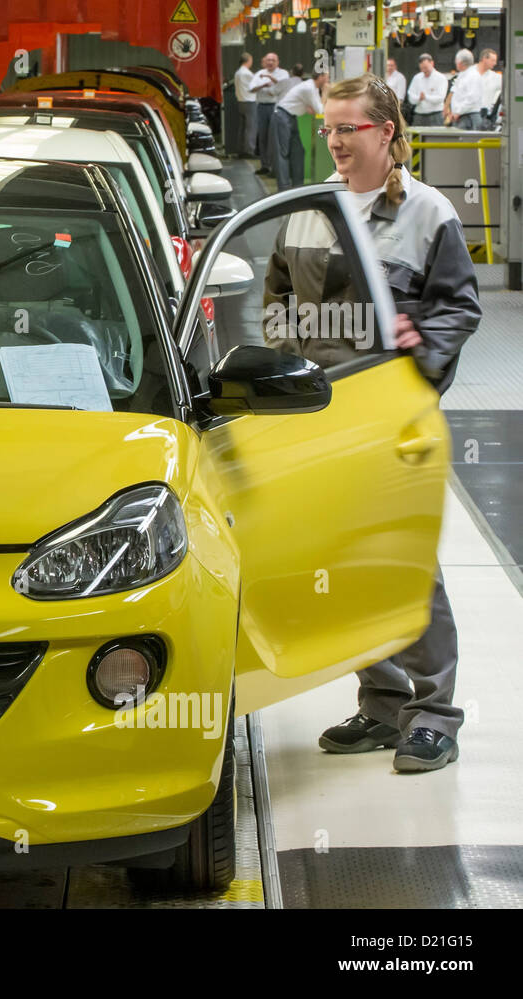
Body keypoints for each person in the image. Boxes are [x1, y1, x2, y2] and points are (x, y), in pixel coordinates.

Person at [264, 74, 479, 773]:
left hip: (390, 416)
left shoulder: (428, 212)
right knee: (348, 562)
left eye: (346, 128)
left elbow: (456, 307)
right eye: (327, 128)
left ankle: (434, 712)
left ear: (385, 132)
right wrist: (290, 364)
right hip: (323, 415)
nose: (332, 139)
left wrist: (423, 362)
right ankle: (383, 703)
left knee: (406, 560)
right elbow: (276, 298)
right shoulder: (309, 209)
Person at [272, 69, 327, 189]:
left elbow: (314, 108)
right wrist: (327, 91)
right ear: (321, 76)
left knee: (299, 151)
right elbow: (320, 110)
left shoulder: (313, 88)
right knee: (283, 153)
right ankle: (284, 188)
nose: (328, 79)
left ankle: (298, 186)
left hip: (291, 118)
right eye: (327, 76)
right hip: (282, 116)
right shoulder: (309, 88)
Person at [250, 53, 291, 176]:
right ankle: (265, 166)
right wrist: (263, 84)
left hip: (276, 107)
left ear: (278, 62)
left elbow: (282, 86)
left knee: (275, 139)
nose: (270, 62)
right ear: (264, 61)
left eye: (273, 60)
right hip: (261, 107)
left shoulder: (283, 73)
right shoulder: (259, 74)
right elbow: (251, 88)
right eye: (268, 60)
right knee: (262, 138)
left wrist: (269, 78)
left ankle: (276, 168)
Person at [447, 48, 484, 130]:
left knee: (467, 142)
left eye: (456, 60)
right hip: (461, 116)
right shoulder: (463, 75)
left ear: (460, 62)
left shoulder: (473, 76)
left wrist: (458, 112)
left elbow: (472, 99)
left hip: (469, 118)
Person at [407, 53, 447, 127]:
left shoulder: (441, 78)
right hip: (419, 115)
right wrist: (419, 98)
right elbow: (411, 96)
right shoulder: (416, 78)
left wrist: (426, 97)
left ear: (432, 63)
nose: (424, 70)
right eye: (422, 68)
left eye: (426, 67)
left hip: (435, 115)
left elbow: (441, 98)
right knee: (416, 138)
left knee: (435, 137)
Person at [233, 52, 257, 158]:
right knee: (251, 128)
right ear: (248, 61)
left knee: (242, 128)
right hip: (249, 101)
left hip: (240, 101)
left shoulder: (238, 72)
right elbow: (255, 85)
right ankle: (249, 150)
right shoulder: (247, 73)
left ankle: (241, 149)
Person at [476, 48, 501, 127]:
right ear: (484, 59)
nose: (495, 63)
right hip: (469, 114)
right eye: (493, 60)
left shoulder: (496, 77)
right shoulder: (469, 74)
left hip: (486, 117)